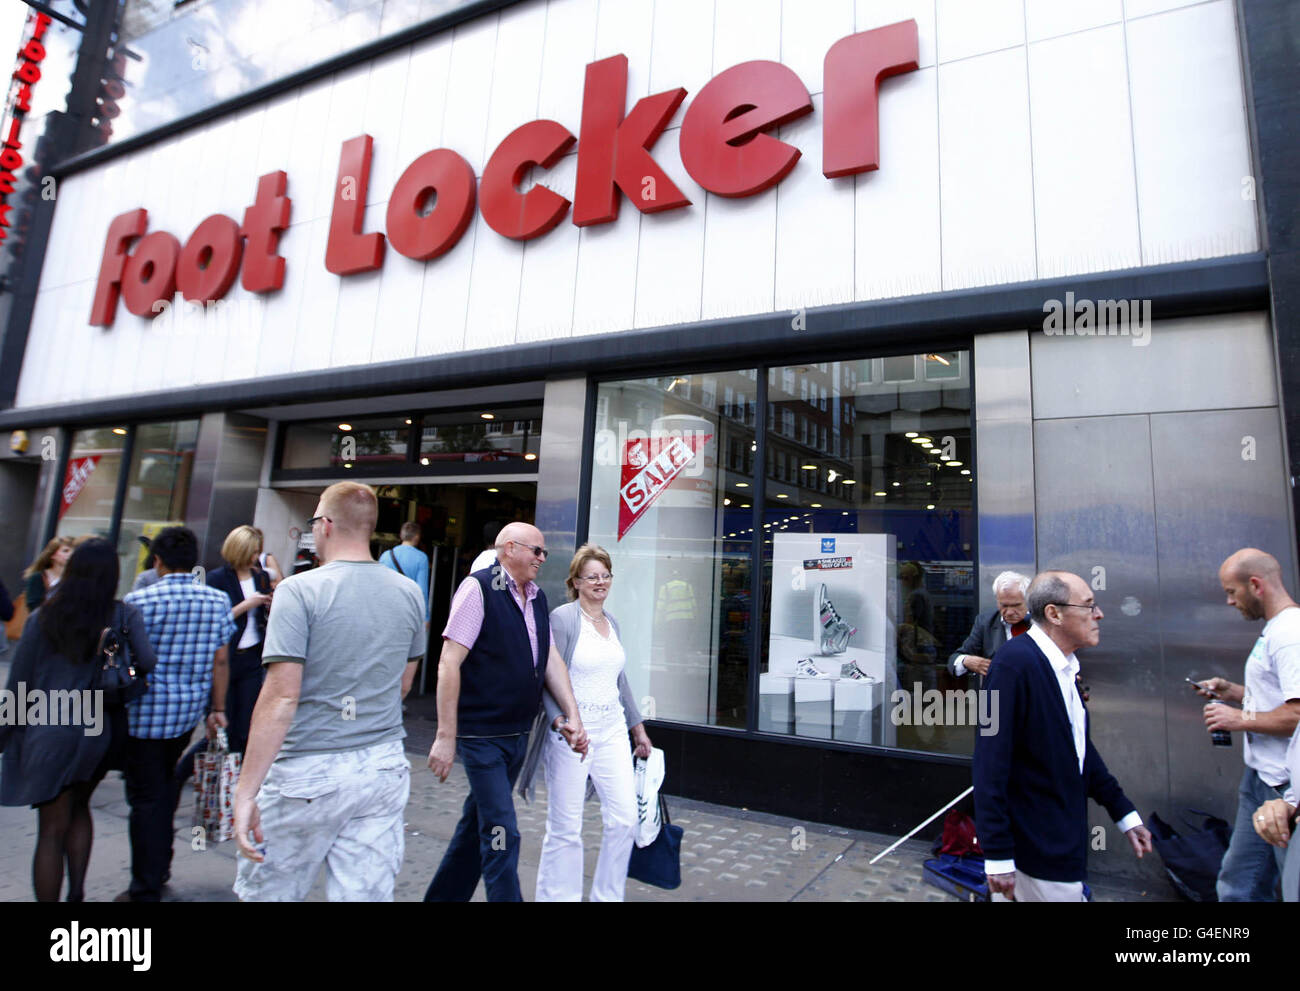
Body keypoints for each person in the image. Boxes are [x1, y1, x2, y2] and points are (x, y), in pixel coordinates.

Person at [233, 482, 426, 901]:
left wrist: (246, 790)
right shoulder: (410, 593)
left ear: (325, 525)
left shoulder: (298, 591)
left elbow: (281, 697)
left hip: (307, 766)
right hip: (382, 765)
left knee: (273, 892)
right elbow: (404, 683)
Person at [424, 522, 588, 902]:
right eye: (537, 551)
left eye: (544, 552)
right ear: (510, 548)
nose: (542, 559)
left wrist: (572, 714)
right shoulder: (478, 589)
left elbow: (550, 660)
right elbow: (449, 663)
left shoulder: (536, 597)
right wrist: (445, 737)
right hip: (481, 737)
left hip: (517, 735)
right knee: (502, 832)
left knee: (474, 830)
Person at [974, 571, 1152, 901]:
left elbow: (1079, 749)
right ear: (1054, 614)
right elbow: (989, 762)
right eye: (1088, 605)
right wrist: (997, 854)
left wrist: (1124, 813)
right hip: (1034, 854)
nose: (1099, 614)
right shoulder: (1010, 665)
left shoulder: (1065, 668)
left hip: (1061, 845)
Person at [0, 539, 156, 901]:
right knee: (81, 807)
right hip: (99, 728)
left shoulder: (46, 615)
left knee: (51, 828)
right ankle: (77, 896)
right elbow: (146, 662)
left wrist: (5, 733)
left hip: (50, 726)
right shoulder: (123, 615)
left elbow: (19, 684)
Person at [519, 544, 652, 901]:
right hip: (572, 735)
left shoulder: (613, 623)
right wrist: (562, 721)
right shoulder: (563, 619)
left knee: (625, 819)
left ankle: (606, 896)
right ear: (576, 581)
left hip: (611, 732)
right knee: (565, 828)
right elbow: (548, 674)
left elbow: (620, 680)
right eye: (591, 576)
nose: (600, 582)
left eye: (605, 575)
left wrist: (637, 729)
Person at [119, 526, 235, 902]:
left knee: (145, 798)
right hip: (187, 714)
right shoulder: (216, 601)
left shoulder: (140, 602)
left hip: (143, 715)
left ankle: (147, 882)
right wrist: (217, 708)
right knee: (163, 784)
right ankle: (160, 862)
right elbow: (221, 660)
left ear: (157, 560)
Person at [1193, 547, 1300, 901]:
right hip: (1259, 781)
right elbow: (1279, 699)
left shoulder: (1290, 635)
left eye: (1230, 592)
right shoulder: (1276, 630)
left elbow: (1297, 715)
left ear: (1255, 585)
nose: (1228, 601)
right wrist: (1235, 692)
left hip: (1285, 790)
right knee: (1239, 883)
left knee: (1281, 886)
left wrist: (1238, 719)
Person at [949, 571, 1032, 685]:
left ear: (1027, 600)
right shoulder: (985, 622)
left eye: (1016, 605)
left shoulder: (1042, 623)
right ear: (997, 601)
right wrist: (966, 661)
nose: (1009, 612)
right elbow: (954, 660)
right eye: (1004, 605)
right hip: (996, 696)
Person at [380, 521, 430, 622]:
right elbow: (422, 591)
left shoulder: (386, 555)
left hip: (385, 608)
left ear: (401, 535)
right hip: (408, 611)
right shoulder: (421, 558)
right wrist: (426, 617)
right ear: (417, 536)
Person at [22, 536, 73, 610]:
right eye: (65, 551)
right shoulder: (38, 578)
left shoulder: (75, 577)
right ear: (53, 555)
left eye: (73, 551)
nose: (70, 554)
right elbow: (34, 605)